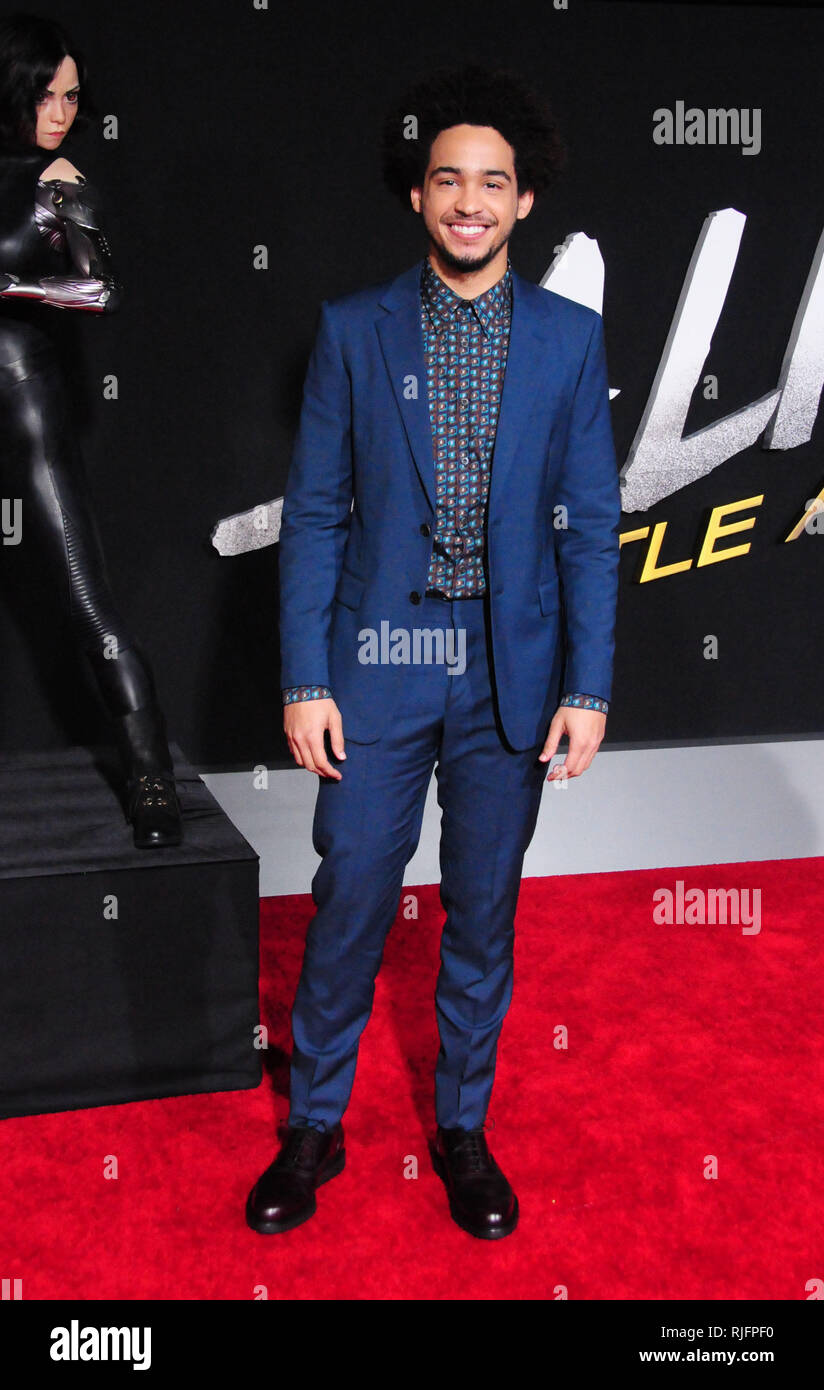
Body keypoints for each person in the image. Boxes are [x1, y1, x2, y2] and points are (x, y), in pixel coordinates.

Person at [247, 62, 620, 1238]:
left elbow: (592, 528)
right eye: (446, 178)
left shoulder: (568, 342)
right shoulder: (353, 332)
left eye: (492, 182)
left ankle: (461, 1125)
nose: (468, 199)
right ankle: (314, 1124)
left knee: (482, 908)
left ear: (525, 202)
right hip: (379, 659)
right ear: (415, 194)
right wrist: (305, 677)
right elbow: (312, 516)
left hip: (509, 670)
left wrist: (589, 686)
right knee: (352, 890)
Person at [0, 13, 182, 847]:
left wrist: (5, 283)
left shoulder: (59, 177)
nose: (61, 110)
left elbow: (97, 291)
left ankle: (150, 775)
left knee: (85, 601)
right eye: (47, 92)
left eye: (73, 95)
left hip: (23, 398)